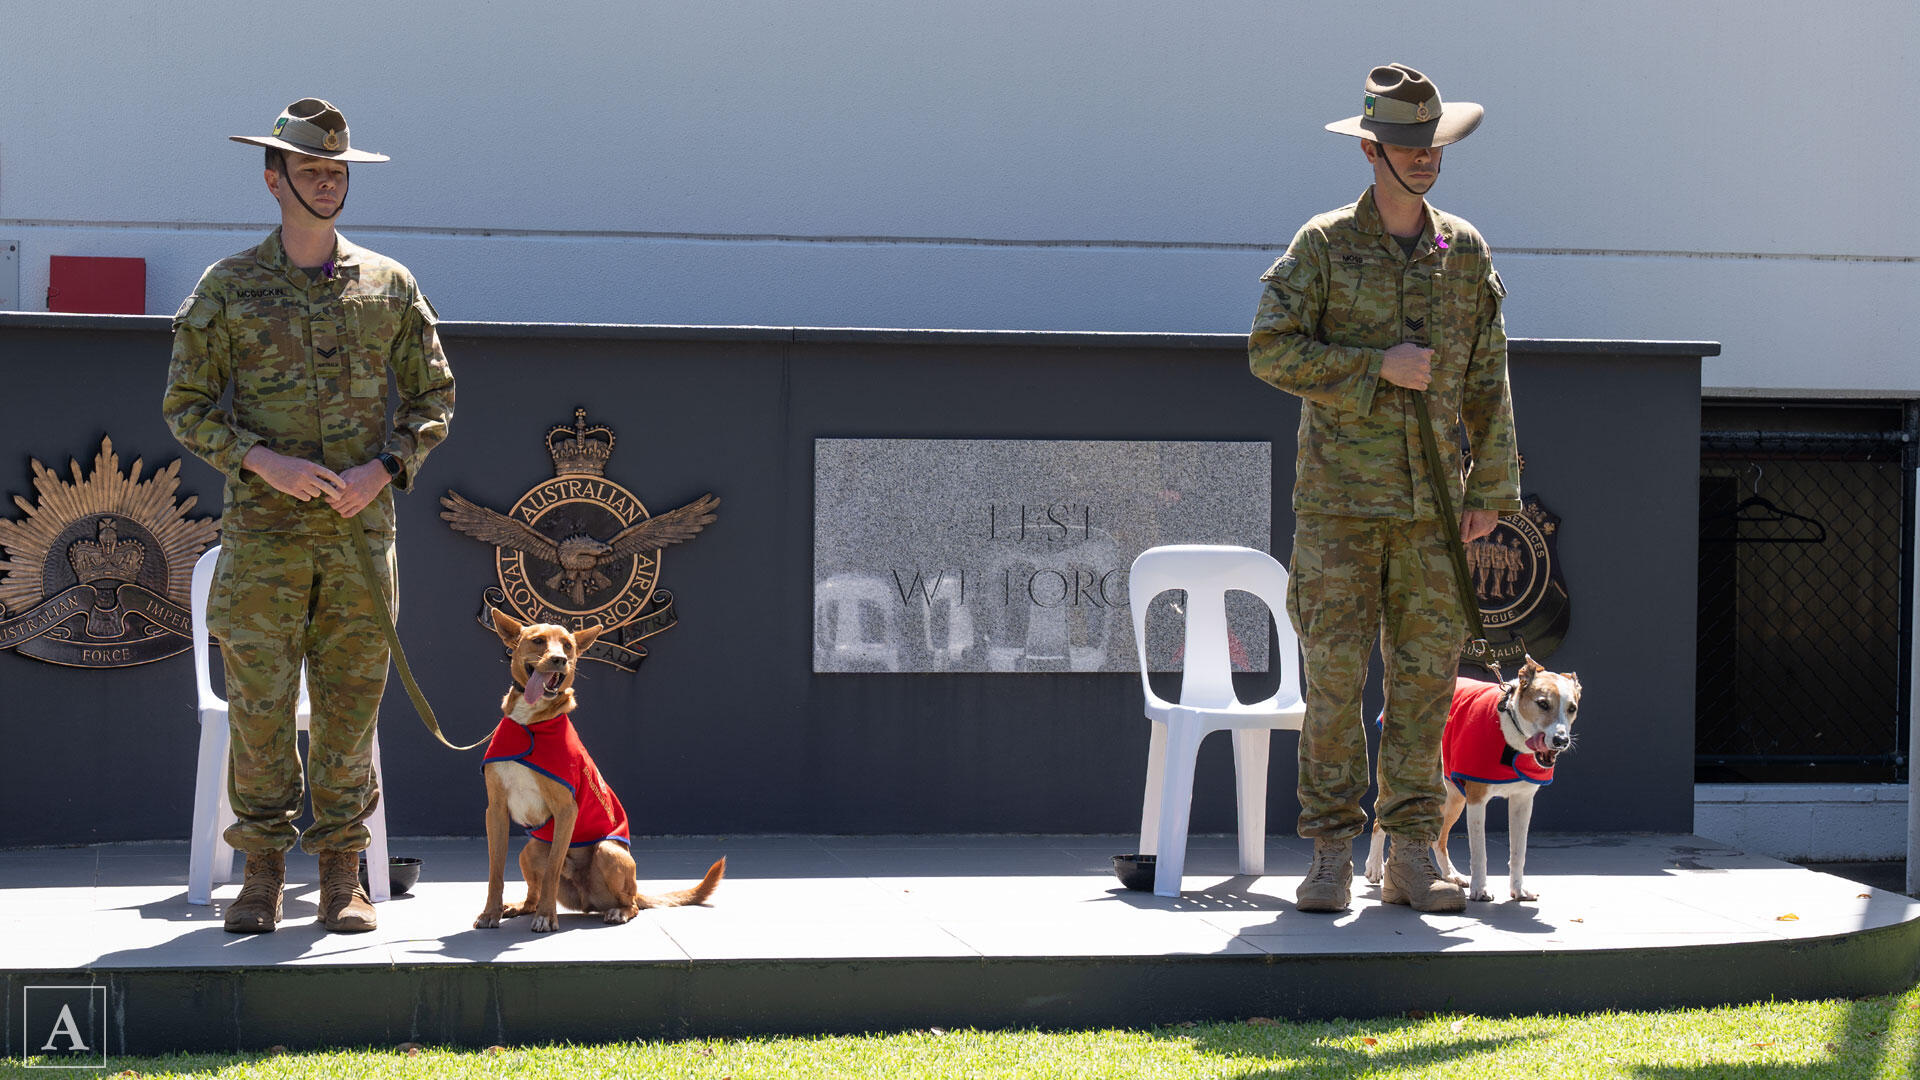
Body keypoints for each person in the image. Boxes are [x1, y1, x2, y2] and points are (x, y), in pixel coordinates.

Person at [163, 98, 455, 933]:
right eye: (311, 170)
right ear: (273, 179)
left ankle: (340, 876)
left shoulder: (388, 285)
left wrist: (382, 469)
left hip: (359, 537)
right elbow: (186, 407)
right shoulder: (229, 288)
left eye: (337, 171)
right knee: (259, 708)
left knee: (350, 706)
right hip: (263, 540)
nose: (328, 182)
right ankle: (259, 875)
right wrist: (264, 462)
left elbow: (434, 400)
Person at [1248, 64, 1521, 913]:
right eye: (1407, 145)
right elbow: (1269, 349)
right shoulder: (1325, 245)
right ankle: (1330, 854)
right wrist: (1377, 369)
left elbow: (1489, 378)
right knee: (1334, 682)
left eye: (1433, 144)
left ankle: (1410, 854)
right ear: (1371, 151)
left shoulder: (1463, 252)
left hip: (1434, 510)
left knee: (1426, 684)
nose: (1425, 158)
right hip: (1339, 507)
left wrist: (1491, 488)